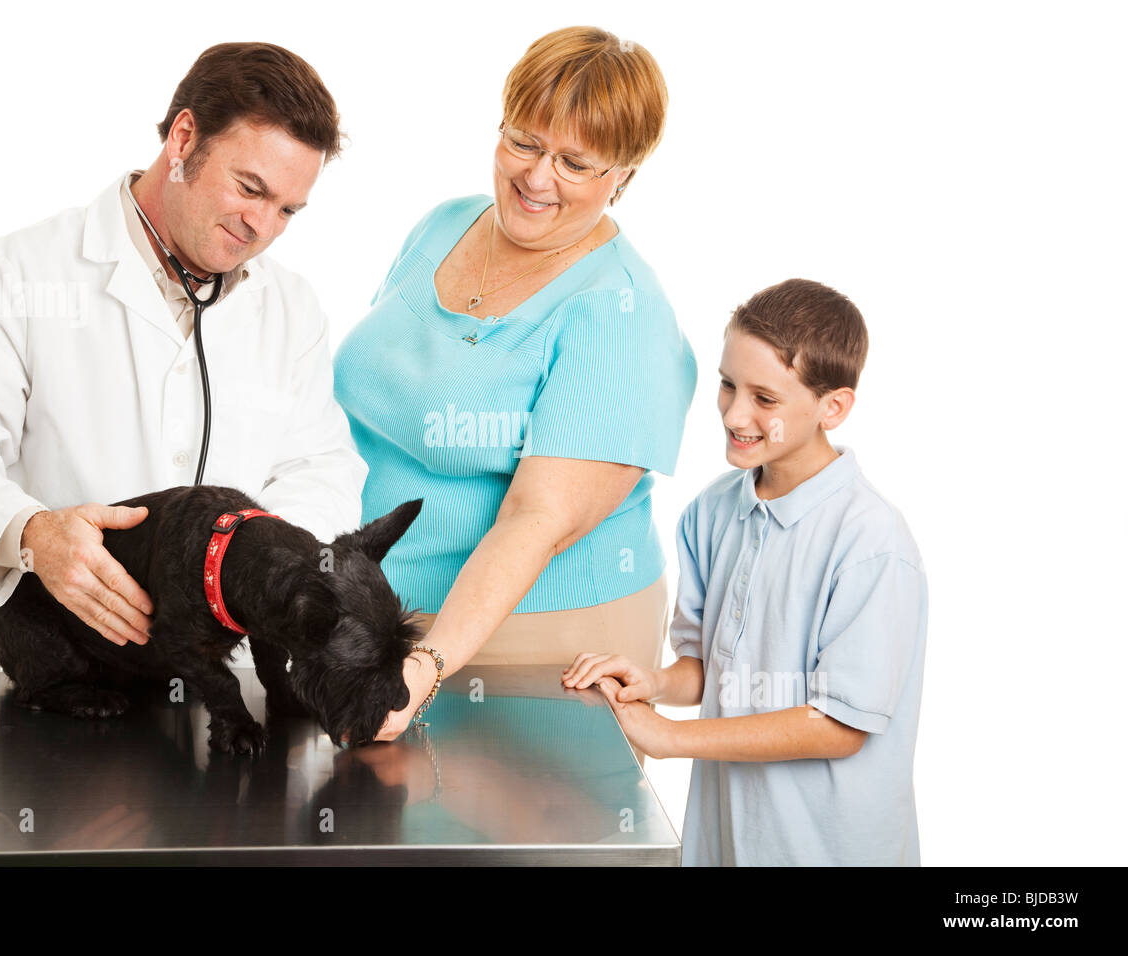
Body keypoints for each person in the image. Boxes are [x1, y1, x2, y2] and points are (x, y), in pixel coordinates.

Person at [0, 42, 367, 670]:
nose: (262, 227)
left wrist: (259, 564)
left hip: (231, 676)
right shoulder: (14, 276)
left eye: (287, 211)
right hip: (69, 674)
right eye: (250, 188)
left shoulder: (292, 307)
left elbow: (322, 469)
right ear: (184, 138)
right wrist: (33, 533)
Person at [333, 26, 698, 740]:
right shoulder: (446, 224)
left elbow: (539, 522)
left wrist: (424, 667)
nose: (536, 178)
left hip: (541, 639)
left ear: (623, 174)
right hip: (387, 611)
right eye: (524, 142)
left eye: (575, 162)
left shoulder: (621, 311)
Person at [563, 278, 929, 865]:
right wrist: (654, 684)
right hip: (727, 842)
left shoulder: (872, 544)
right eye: (728, 385)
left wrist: (671, 738)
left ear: (832, 406)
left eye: (765, 398)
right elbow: (710, 670)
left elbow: (839, 725)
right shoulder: (710, 513)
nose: (735, 413)